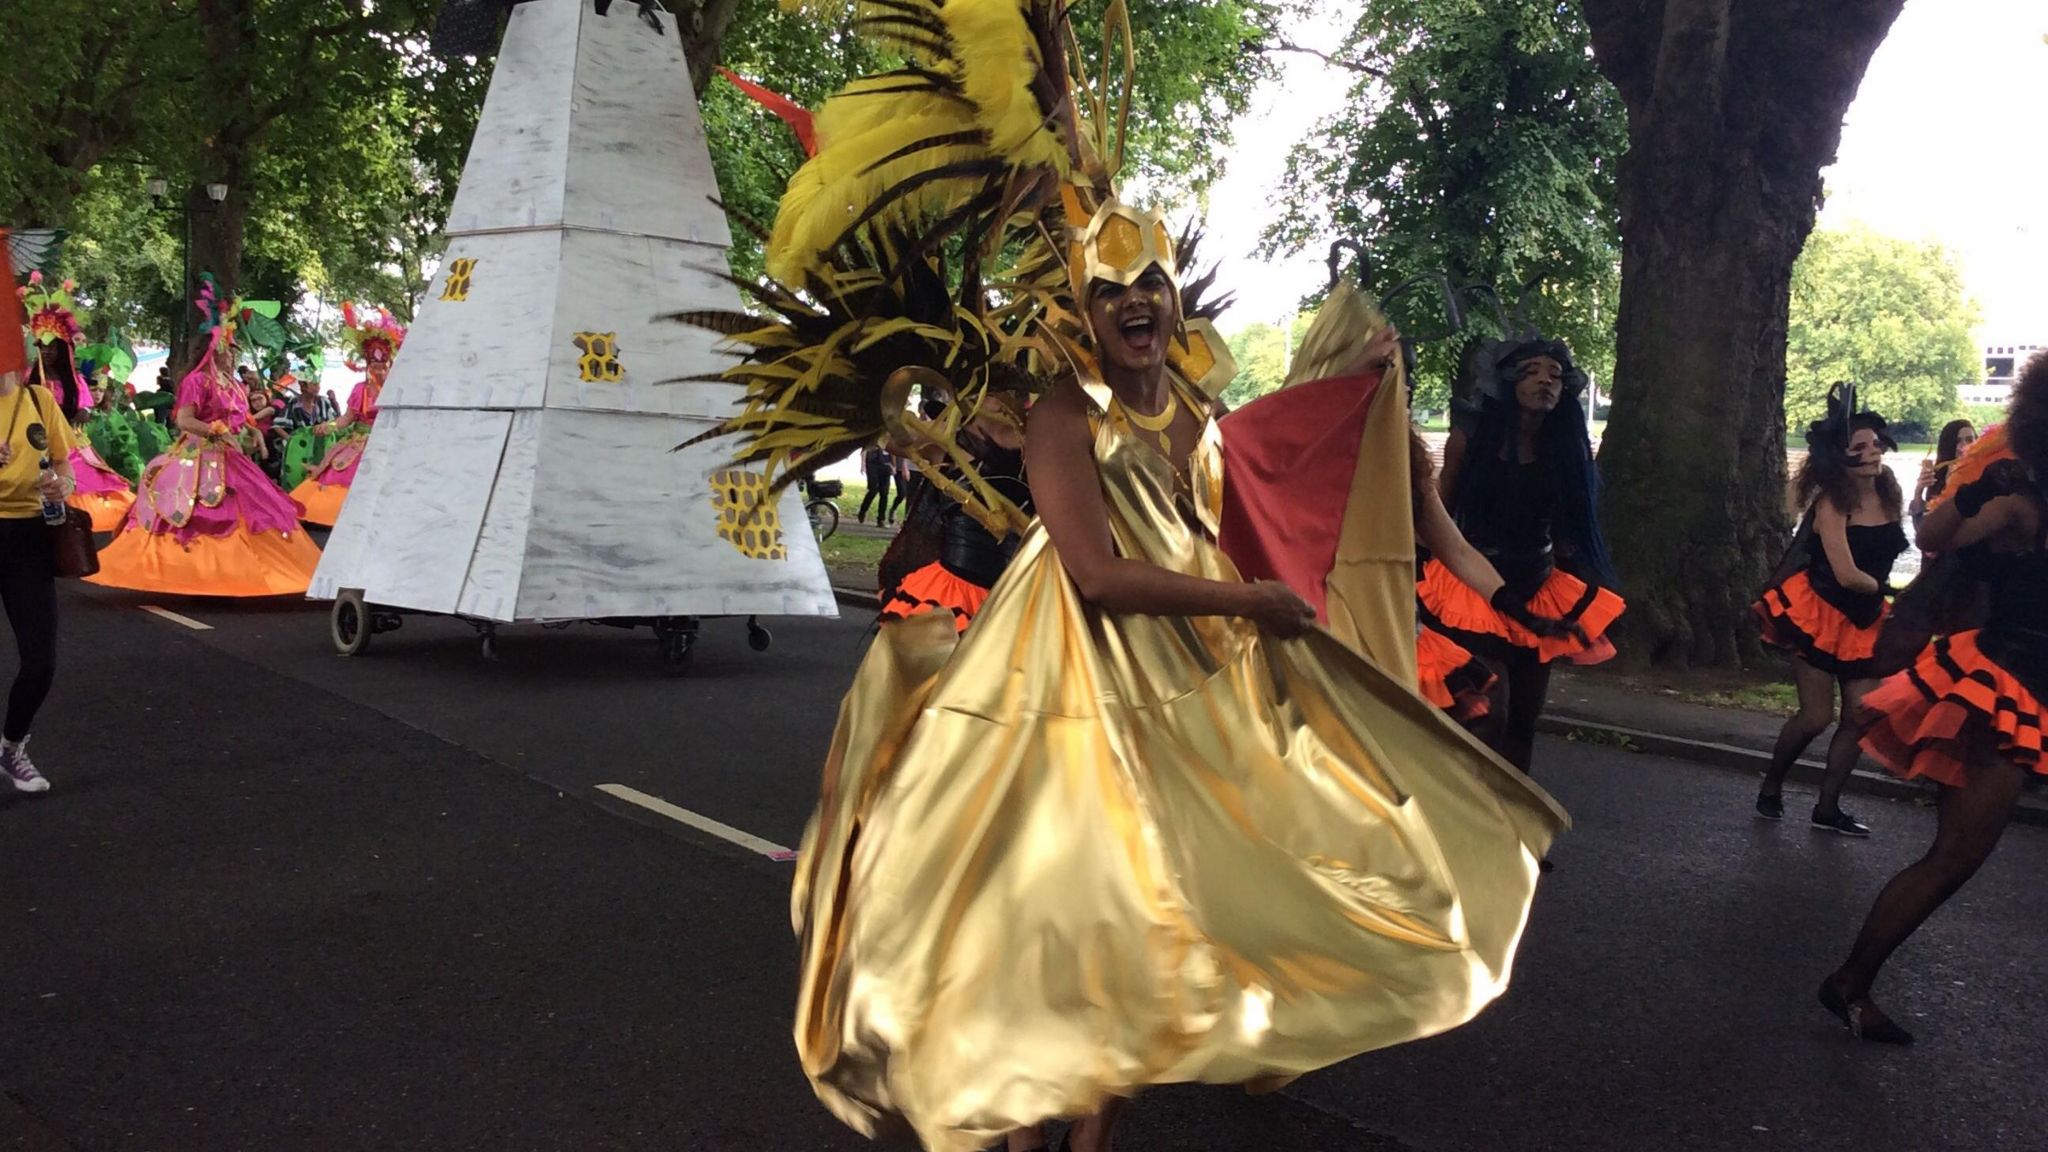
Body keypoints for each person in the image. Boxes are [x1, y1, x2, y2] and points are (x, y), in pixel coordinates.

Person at [1818, 351, 2048, 1044]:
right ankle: (1849, 981)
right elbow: (1933, 536)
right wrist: (1975, 495)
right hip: (2004, 688)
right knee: (1954, 857)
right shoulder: (2020, 499)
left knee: (1957, 855)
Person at [1418, 336, 1626, 774]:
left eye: (1555, 375)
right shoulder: (1469, 441)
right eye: (1532, 371)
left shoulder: (1566, 450)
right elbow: (1436, 515)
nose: (1546, 381)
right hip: (1470, 588)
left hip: (1537, 585)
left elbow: (1573, 527)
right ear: (1507, 381)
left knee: (1523, 724)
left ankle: (1513, 827)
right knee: (1490, 709)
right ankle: (1466, 812)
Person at [87, 277, 321, 597]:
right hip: (198, 455)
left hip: (231, 455)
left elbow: (243, 418)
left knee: (253, 505)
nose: (233, 356)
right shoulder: (198, 381)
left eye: (234, 351)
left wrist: (256, 435)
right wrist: (216, 431)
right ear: (217, 348)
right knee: (194, 510)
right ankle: (192, 570)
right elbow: (185, 420)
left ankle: (256, 569)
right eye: (229, 350)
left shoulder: (231, 382)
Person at [1749, 385, 1907, 836]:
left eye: (1877, 443)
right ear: (1841, 458)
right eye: (1861, 447)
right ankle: (1772, 786)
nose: (1874, 451)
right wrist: (1888, 591)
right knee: (1816, 717)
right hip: (1819, 614)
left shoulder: (1891, 493)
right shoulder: (1832, 502)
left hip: (1866, 620)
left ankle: (1828, 807)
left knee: (1859, 718)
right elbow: (1844, 572)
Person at [0, 238, 76, 794]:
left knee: (41, 660)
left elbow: (68, 469)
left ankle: (12, 747)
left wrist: (59, 483)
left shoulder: (39, 401)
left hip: (28, 535)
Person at [875, 383, 1031, 631]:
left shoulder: (1040, 444)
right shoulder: (943, 445)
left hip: (1021, 595)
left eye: (1015, 392)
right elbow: (884, 434)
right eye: (994, 392)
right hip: (953, 594)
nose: (1006, 400)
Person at [16, 274, 136, 532]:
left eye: (53, 347)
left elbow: (86, 408)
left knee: (88, 486)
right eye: (42, 347)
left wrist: (83, 410)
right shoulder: (29, 379)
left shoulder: (76, 382)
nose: (47, 352)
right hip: (36, 444)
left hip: (70, 443)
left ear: (63, 349)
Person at [289, 303, 403, 526]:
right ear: (367, 365)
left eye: (382, 365)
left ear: (389, 364)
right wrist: (328, 427)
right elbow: (346, 419)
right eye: (374, 365)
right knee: (337, 474)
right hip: (357, 443)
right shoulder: (359, 390)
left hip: (387, 442)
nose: (378, 370)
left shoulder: (398, 389)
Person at [856, 443, 893, 526]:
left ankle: (881, 519)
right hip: (873, 463)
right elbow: (865, 449)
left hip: (886, 464)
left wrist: (893, 465)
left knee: (884, 493)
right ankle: (863, 510)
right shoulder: (876, 433)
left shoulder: (891, 436)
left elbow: (893, 451)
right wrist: (863, 465)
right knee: (873, 489)